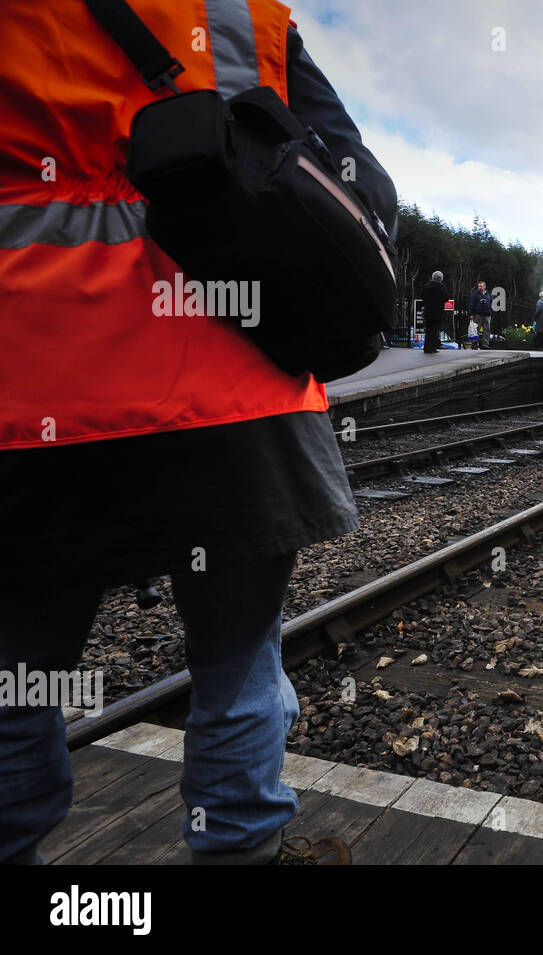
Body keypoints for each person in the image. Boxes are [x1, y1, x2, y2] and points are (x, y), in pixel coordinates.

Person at [0, 0, 397, 865]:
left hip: (34, 385)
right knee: (240, 667)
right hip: (232, 393)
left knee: (18, 677)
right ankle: (241, 850)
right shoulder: (243, 12)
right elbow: (363, 180)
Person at [419, 270, 450, 354]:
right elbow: (446, 297)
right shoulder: (441, 287)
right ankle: (433, 347)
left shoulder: (427, 286)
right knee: (435, 330)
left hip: (428, 311)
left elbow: (422, 295)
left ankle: (426, 347)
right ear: (441, 278)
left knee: (428, 330)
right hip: (437, 312)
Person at [470, 280, 494, 347]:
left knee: (487, 330)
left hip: (487, 315)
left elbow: (491, 303)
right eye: (479, 286)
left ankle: (485, 345)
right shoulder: (475, 295)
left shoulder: (489, 295)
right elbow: (471, 304)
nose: (480, 287)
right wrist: (471, 314)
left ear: (484, 286)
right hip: (478, 315)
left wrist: (490, 311)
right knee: (476, 330)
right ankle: (474, 344)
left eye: (481, 286)